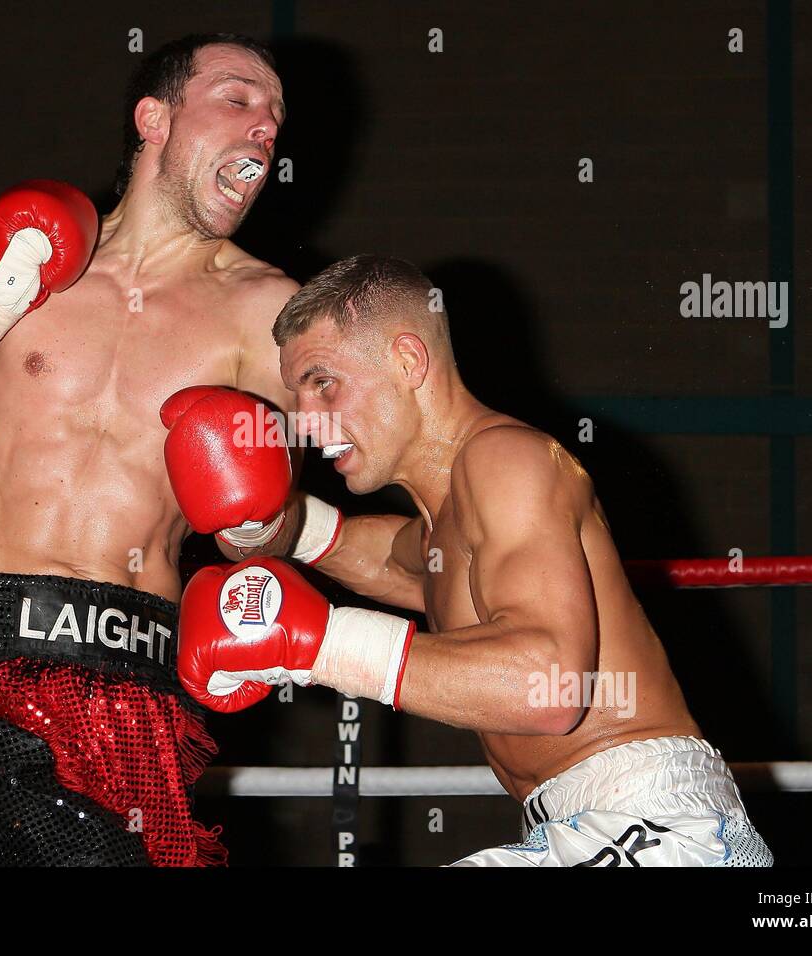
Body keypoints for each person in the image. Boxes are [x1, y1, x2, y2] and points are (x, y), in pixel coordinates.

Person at [0, 33, 297, 866]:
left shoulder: (268, 311)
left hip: (142, 673)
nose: (265, 126)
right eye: (239, 99)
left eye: (276, 116)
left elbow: (257, 535)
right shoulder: (25, 247)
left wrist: (262, 516)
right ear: (153, 118)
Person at [169, 254, 774, 866]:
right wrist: (267, 521)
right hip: (575, 826)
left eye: (324, 382)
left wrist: (318, 648)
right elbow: (373, 555)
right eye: (296, 396)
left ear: (408, 360)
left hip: (650, 824)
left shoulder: (506, 459)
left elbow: (549, 688)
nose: (306, 420)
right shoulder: (442, 527)